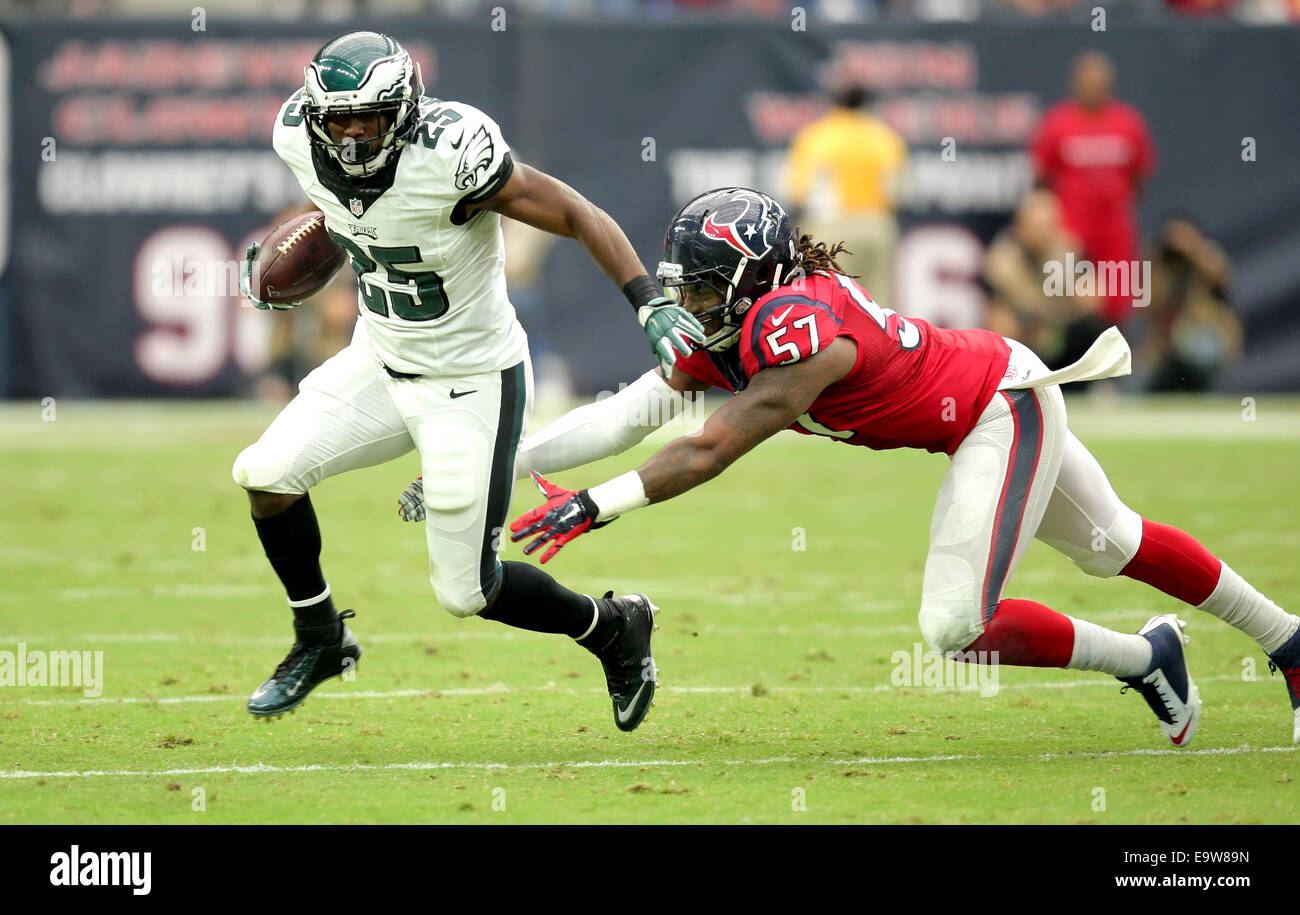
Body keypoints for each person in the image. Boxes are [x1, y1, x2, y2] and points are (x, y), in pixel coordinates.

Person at [483, 186, 1298, 747]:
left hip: (997, 405)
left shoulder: (801, 328)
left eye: (700, 289)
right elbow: (626, 415)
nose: (688, 306)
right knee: (1112, 543)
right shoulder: (745, 324)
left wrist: (596, 505)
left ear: (749, 282)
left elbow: (714, 444)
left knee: (955, 623)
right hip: (985, 401)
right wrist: (501, 459)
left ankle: (1265, 648)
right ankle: (1180, 653)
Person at [234, 31, 707, 732]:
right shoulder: (296, 137)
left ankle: (613, 626)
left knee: (467, 590)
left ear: (406, 108)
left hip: (470, 378)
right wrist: (313, 251)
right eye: (339, 118)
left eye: (370, 116)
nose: (354, 132)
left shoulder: (454, 154)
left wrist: (646, 297)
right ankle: (321, 636)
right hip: (380, 358)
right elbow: (353, 216)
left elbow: (576, 213)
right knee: (265, 473)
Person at [1030, 52, 1156, 326]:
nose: (1094, 88)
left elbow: (1141, 174)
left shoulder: (1127, 122)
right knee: (1067, 295)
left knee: (1118, 297)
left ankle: (1116, 360)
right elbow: (1040, 176)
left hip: (1114, 224)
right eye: (1088, 82)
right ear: (1075, 84)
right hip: (1072, 224)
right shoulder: (1059, 122)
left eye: (1100, 82)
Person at [785, 85, 907, 310]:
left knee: (833, 300)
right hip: (876, 225)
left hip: (833, 228)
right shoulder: (884, 137)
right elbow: (897, 193)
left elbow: (801, 192)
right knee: (880, 305)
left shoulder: (818, 136)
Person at [983, 189, 1106, 371]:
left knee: (1090, 328)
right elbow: (998, 321)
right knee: (1004, 340)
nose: (1041, 235)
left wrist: (1069, 288)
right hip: (1027, 337)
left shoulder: (1069, 250)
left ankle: (1095, 385)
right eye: (1035, 228)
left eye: (1047, 227)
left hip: (1063, 328)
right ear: (1020, 228)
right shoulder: (1002, 260)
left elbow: (1094, 302)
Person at [1136, 215, 1242, 392]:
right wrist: (1156, 262)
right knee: (1139, 378)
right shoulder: (1158, 272)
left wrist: (1195, 256)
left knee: (1198, 349)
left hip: (1200, 344)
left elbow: (1223, 278)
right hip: (1161, 351)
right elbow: (1146, 307)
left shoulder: (1207, 266)